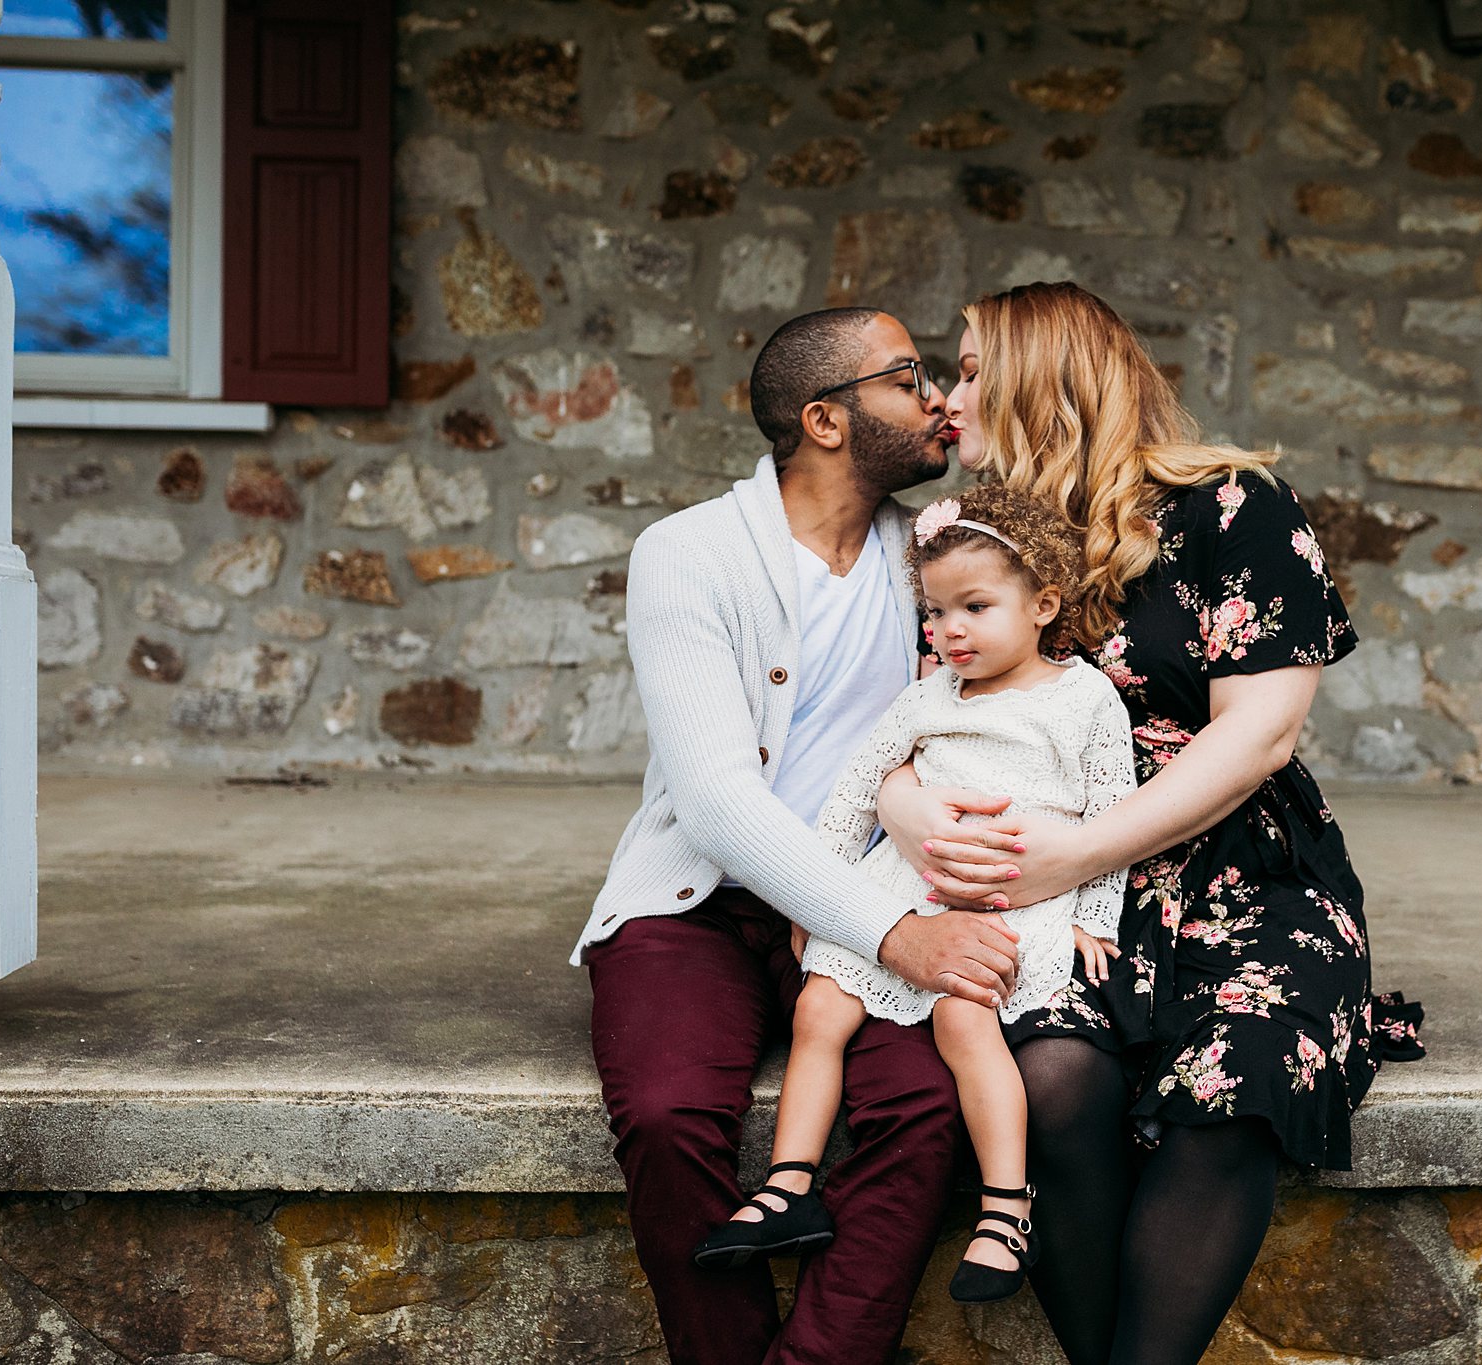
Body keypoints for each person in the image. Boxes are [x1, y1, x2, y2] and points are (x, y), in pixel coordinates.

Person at [878, 282, 1426, 1365]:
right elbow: (908, 728)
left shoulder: (1234, 506)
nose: (949, 396)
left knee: (1236, 1079)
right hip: (1056, 896)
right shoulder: (966, 543)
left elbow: (1260, 733)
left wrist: (1081, 848)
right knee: (1054, 1081)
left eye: (974, 366)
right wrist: (915, 824)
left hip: (1240, 874)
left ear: (1043, 381)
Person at [573, 307, 1025, 1365]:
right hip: (697, 904)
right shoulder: (684, 554)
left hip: (857, 899)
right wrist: (893, 935)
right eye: (907, 379)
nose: (935, 401)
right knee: (670, 1116)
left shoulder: (931, 556)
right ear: (824, 421)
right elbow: (718, 803)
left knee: (918, 1113)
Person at [692, 486, 1138, 1305]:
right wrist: (813, 901)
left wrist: (1095, 917)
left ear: (1042, 604)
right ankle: (787, 1187)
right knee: (820, 1007)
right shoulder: (928, 698)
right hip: (902, 889)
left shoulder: (1084, 698)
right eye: (936, 612)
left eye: (975, 605)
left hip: (1015, 898)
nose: (951, 630)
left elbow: (1116, 814)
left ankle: (1006, 1212)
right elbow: (856, 791)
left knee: (966, 1018)